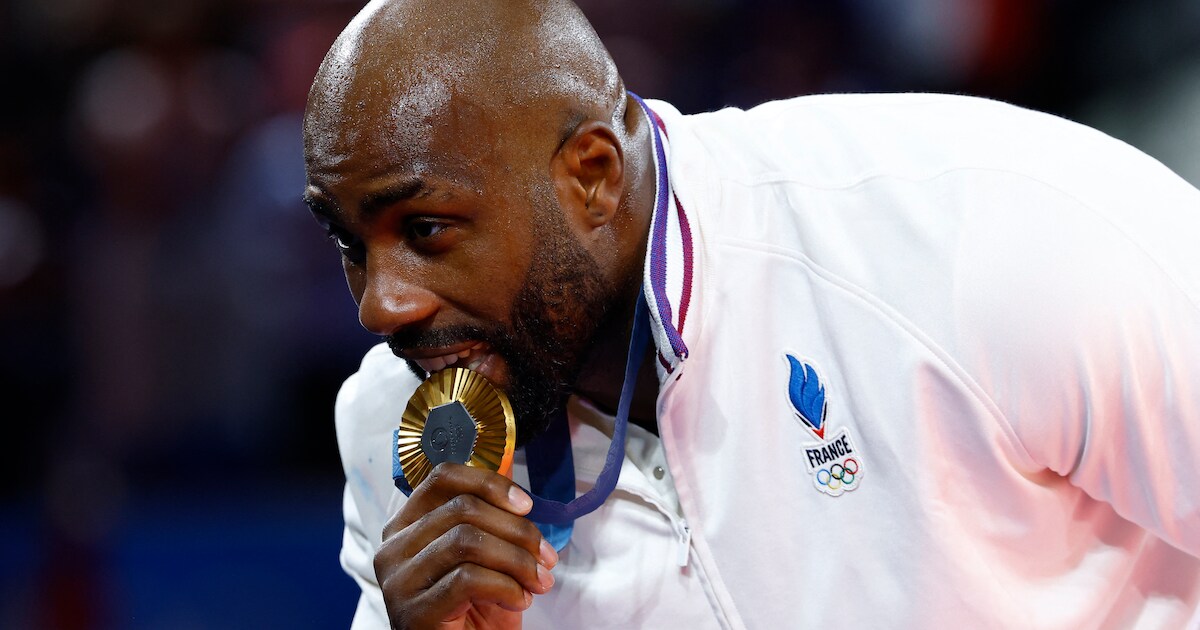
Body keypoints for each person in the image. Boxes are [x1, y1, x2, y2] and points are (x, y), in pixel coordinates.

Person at [302, 0, 1200, 627]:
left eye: (427, 228)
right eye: (350, 244)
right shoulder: (402, 429)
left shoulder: (973, 238)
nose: (384, 304)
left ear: (592, 175)